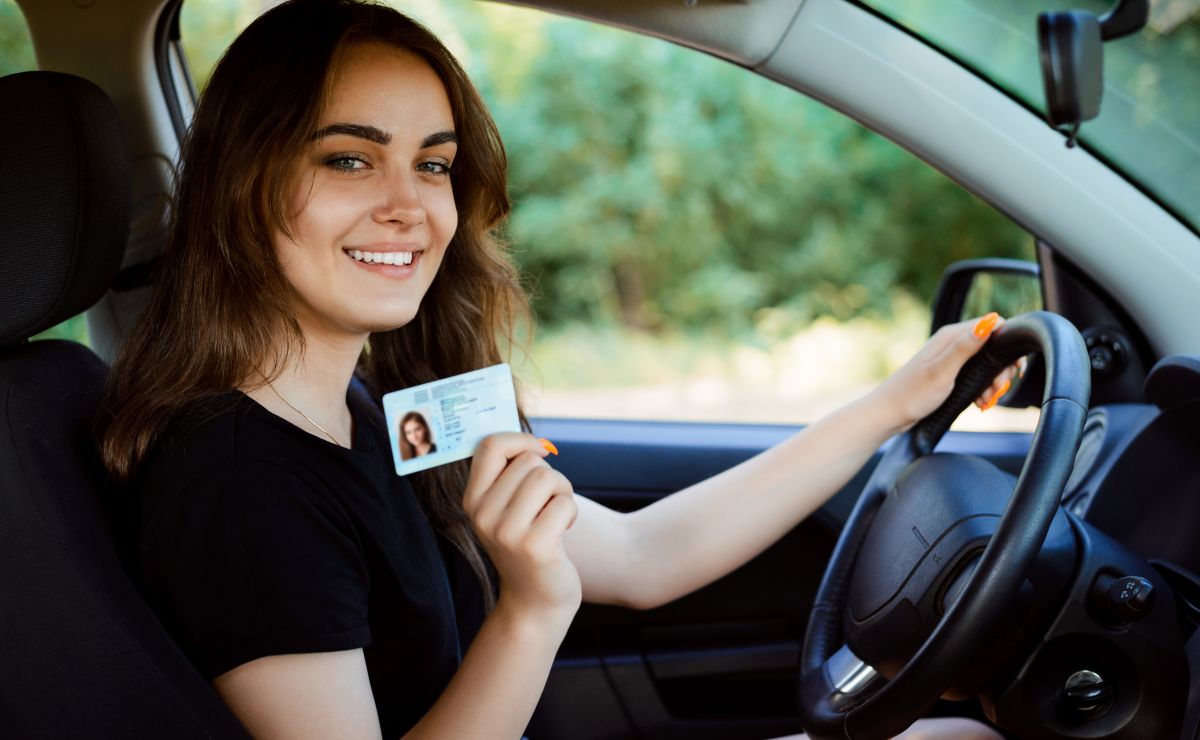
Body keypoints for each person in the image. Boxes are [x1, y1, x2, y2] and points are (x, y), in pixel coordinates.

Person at [99, 1, 1017, 737]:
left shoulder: (375, 409)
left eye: (433, 165)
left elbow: (645, 555)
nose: (409, 206)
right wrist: (532, 610)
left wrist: (894, 404)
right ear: (241, 184)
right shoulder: (238, 482)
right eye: (349, 159)